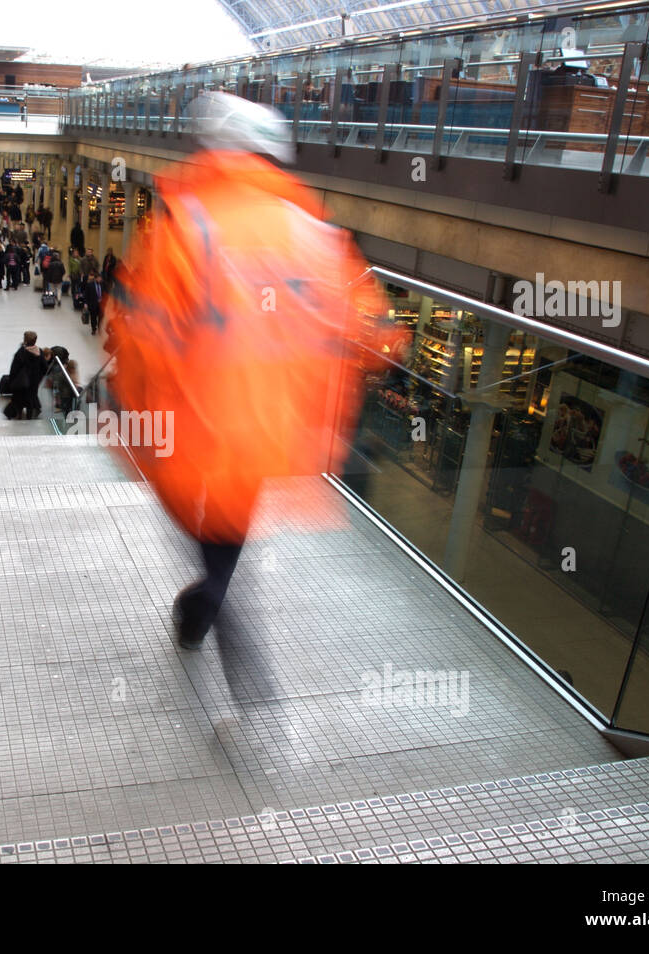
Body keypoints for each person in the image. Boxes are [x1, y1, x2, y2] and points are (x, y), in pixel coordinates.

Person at [107, 90, 399, 708]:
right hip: (278, 436)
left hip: (196, 428)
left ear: (212, 149)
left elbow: (143, 335)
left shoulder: (189, 227)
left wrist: (130, 417)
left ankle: (211, 607)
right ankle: (214, 606)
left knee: (206, 525)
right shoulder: (315, 233)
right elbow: (371, 334)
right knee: (230, 524)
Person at [3, 331, 48, 420]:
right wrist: (39, 377)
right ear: (35, 340)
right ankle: (29, 417)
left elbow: (14, 369)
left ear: (25, 340)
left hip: (21, 382)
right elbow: (45, 368)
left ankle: (19, 415)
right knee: (30, 401)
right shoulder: (40, 352)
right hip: (34, 382)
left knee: (19, 399)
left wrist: (11, 381)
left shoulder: (21, 353)